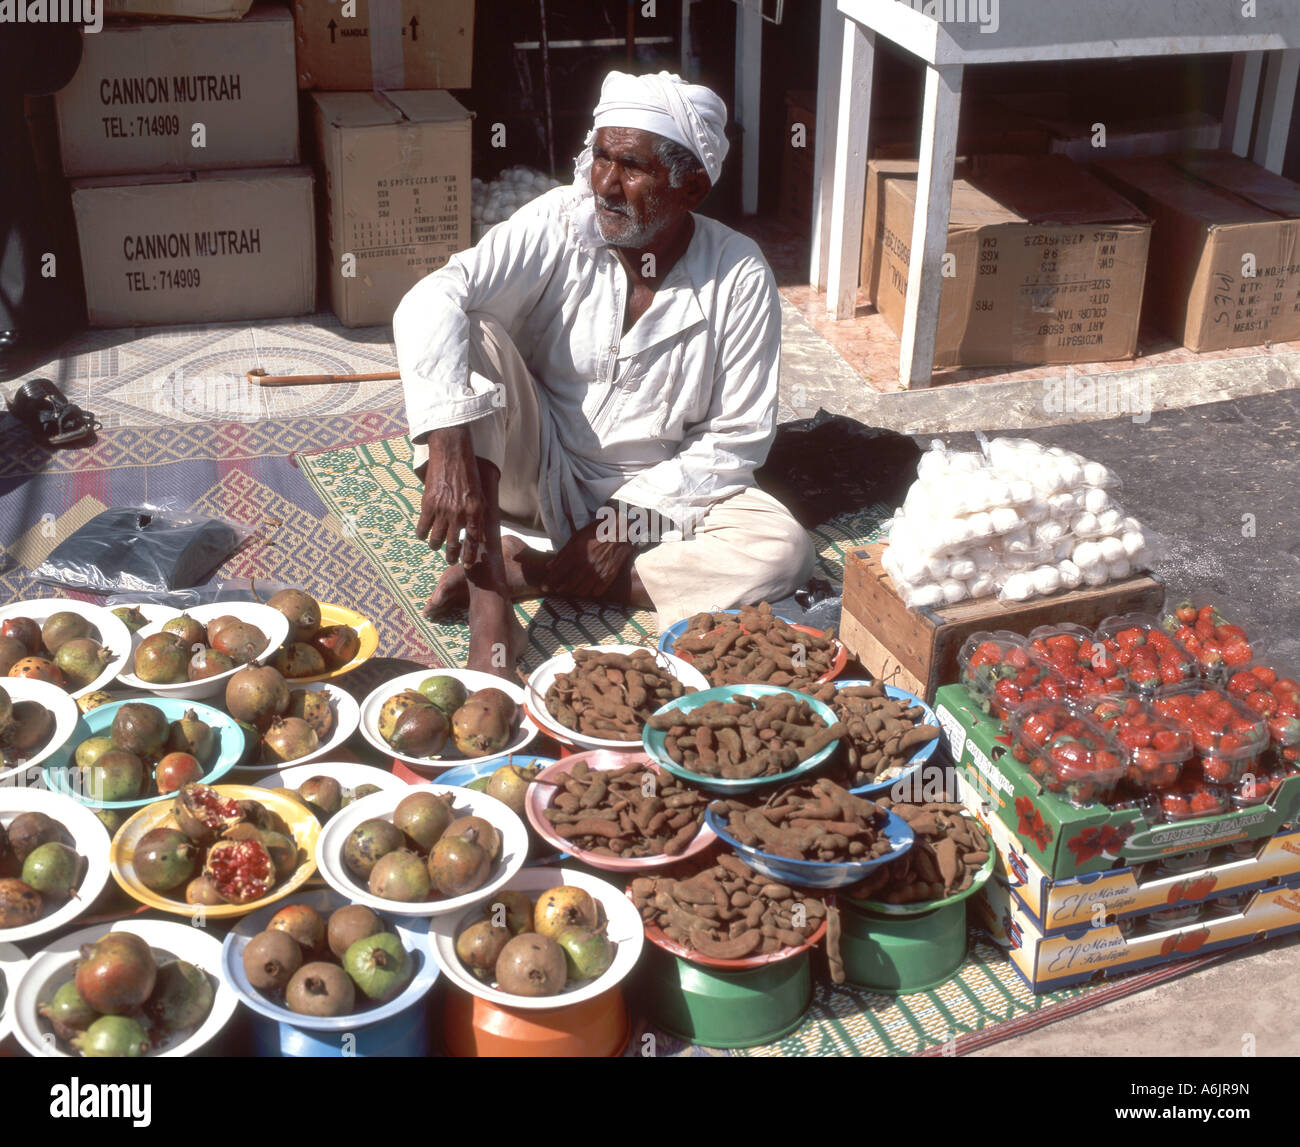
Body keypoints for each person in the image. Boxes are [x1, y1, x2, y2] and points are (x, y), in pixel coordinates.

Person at [394, 70, 814, 677]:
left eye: (632, 168)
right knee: (471, 327)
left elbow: (735, 438)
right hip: (530, 463)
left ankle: (533, 571)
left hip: (654, 493)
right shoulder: (560, 222)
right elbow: (434, 295)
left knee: (784, 551)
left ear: (691, 187)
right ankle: (491, 604)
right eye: (600, 158)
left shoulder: (739, 272)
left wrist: (621, 522)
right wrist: (450, 440)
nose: (607, 186)